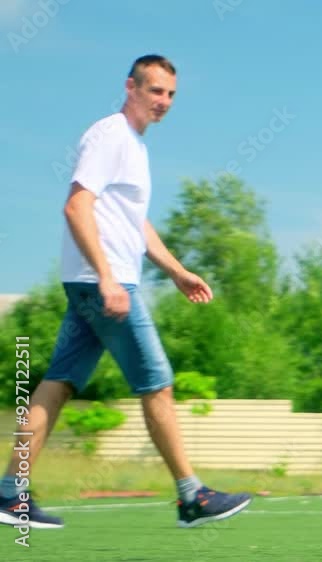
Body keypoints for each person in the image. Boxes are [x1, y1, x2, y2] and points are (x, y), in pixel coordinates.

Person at [0, 54, 252, 530]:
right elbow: (77, 206)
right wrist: (108, 278)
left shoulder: (134, 146)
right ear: (131, 87)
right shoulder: (110, 135)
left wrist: (177, 271)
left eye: (172, 94)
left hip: (97, 282)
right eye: (155, 90)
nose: (164, 102)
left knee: (58, 385)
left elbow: (133, 222)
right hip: (104, 284)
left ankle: (9, 493)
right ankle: (191, 495)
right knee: (157, 382)